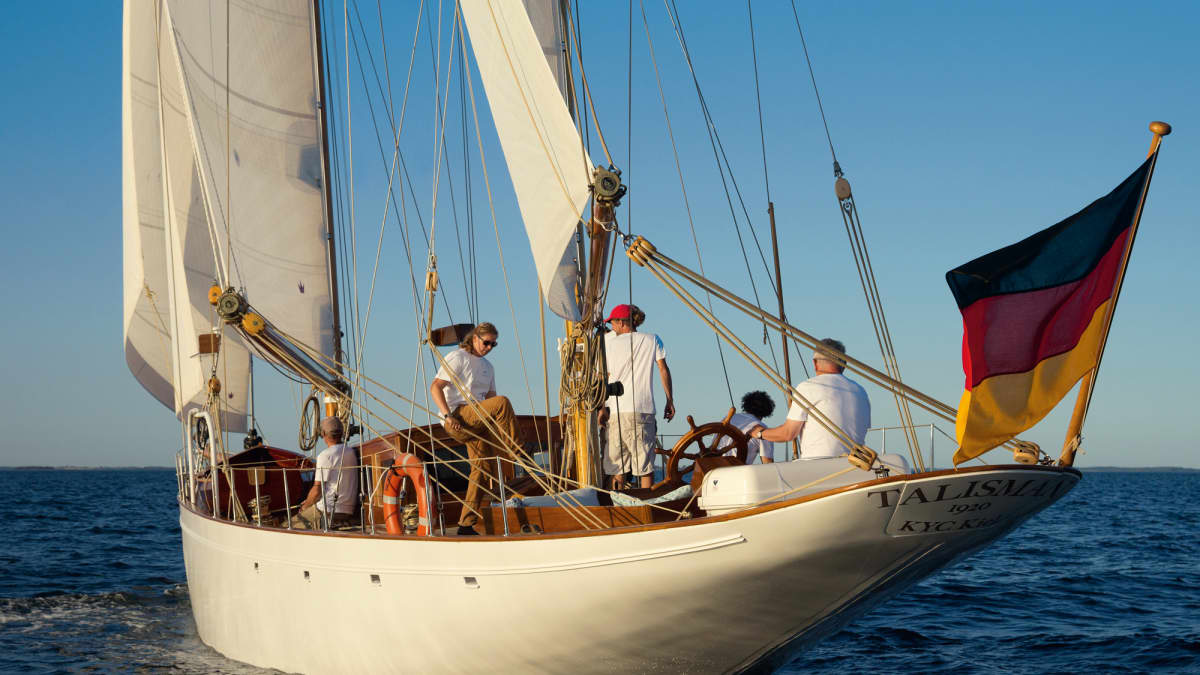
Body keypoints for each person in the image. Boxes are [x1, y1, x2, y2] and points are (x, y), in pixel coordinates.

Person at [430, 322, 522, 536]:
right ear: (474, 339)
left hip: (477, 421)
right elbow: (435, 386)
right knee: (503, 402)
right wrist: (447, 415)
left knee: (482, 470)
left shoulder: (488, 367)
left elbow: (490, 401)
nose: (489, 347)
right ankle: (518, 452)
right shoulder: (458, 357)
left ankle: (465, 524)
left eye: (493, 344)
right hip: (458, 415)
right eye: (486, 342)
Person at [747, 338, 870, 459]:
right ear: (844, 364)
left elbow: (788, 433)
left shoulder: (808, 387)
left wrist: (758, 433)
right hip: (855, 465)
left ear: (815, 363)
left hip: (818, 466)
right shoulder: (860, 391)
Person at [599, 304, 675, 490]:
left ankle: (618, 505)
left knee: (618, 467)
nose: (612, 327)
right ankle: (645, 506)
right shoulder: (652, 339)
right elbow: (663, 369)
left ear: (622, 322)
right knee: (645, 467)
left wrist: (602, 407)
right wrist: (669, 400)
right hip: (642, 411)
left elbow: (602, 377)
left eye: (613, 322)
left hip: (616, 412)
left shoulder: (607, 343)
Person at [296, 416, 359, 529]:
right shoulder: (350, 452)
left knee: (290, 525)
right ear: (342, 432)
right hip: (348, 509)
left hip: (328, 509)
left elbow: (316, 491)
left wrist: (305, 506)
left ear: (323, 433)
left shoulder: (325, 456)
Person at [724, 391, 776, 464]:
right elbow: (768, 464)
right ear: (767, 410)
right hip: (735, 472)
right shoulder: (763, 430)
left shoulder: (729, 418)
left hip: (710, 466)